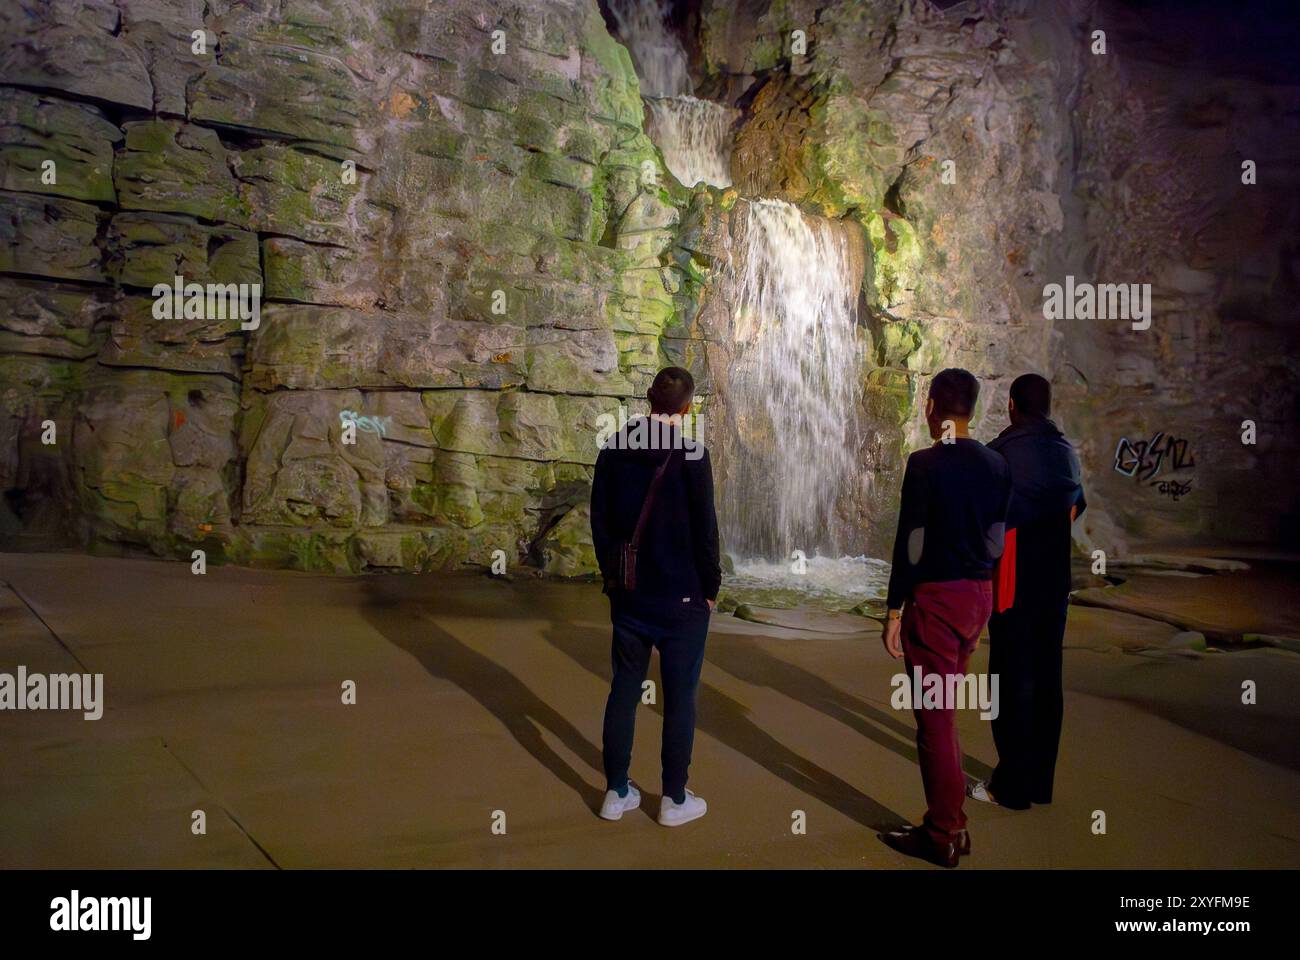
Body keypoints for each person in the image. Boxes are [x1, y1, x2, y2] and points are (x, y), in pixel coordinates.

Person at [879, 368, 1012, 868]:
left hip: (937, 600)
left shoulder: (925, 464)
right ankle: (952, 821)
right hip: (977, 596)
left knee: (934, 721)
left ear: (931, 406)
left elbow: (911, 543)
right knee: (945, 711)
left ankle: (943, 832)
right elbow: (998, 538)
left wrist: (894, 608)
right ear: (971, 410)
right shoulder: (998, 465)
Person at [589, 366, 721, 827]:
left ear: (648, 400)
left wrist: (613, 578)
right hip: (683, 600)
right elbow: (707, 533)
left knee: (624, 688)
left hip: (630, 597)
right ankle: (673, 799)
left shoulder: (613, 449)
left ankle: (616, 791)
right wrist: (710, 590)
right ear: (687, 409)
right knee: (680, 697)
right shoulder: (693, 455)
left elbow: (600, 523)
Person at [968, 373, 1086, 811]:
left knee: (1009, 680)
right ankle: (1039, 783)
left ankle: (1009, 787)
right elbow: (1075, 506)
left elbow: (983, 520)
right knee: (1047, 682)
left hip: (1013, 588)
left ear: (1013, 406)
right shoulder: (1066, 454)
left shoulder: (1002, 455)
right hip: (1055, 586)